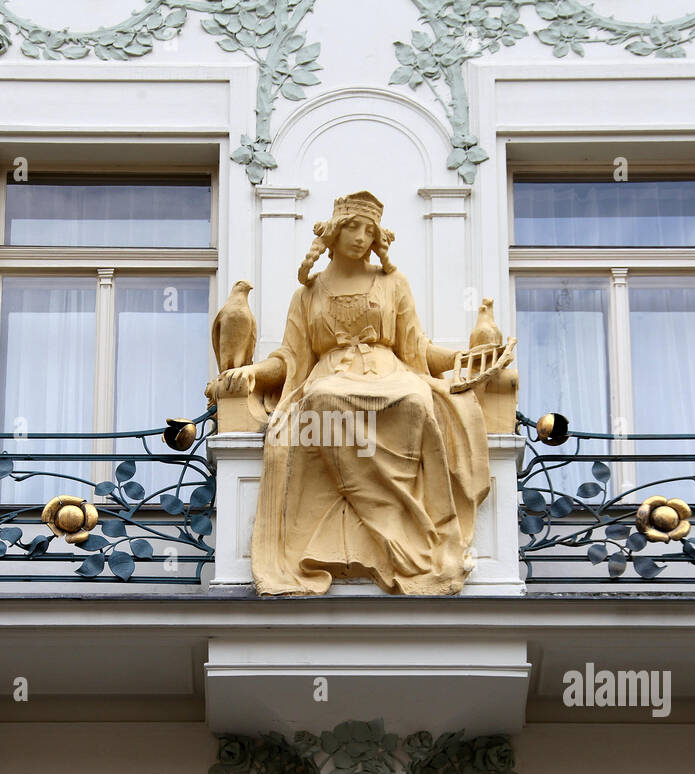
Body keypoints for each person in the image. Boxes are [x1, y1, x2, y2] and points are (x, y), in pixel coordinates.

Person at [213, 191, 506, 595]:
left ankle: (414, 526)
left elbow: (417, 349)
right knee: (321, 400)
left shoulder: (393, 283)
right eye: (353, 227)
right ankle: (389, 526)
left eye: (370, 231)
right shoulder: (308, 294)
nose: (361, 237)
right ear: (333, 233)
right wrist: (252, 372)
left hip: (391, 374)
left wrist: (463, 359)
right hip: (331, 379)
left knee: (418, 399)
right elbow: (290, 357)